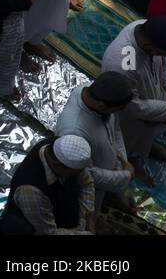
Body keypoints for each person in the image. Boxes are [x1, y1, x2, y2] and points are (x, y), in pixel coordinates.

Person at [100, 15, 166, 182]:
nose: (163, 56)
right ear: (146, 45)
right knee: (124, 141)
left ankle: (143, 150)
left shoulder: (145, 29)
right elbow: (131, 105)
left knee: (144, 135)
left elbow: (165, 61)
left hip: (151, 102)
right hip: (129, 114)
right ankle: (129, 162)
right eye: (160, 52)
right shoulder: (122, 62)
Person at [54, 71, 133, 215]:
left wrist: (122, 159)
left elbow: (115, 130)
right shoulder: (73, 131)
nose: (117, 113)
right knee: (90, 215)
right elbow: (85, 174)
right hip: (88, 189)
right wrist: (125, 175)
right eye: (118, 109)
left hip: (111, 173)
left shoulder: (92, 91)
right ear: (103, 107)